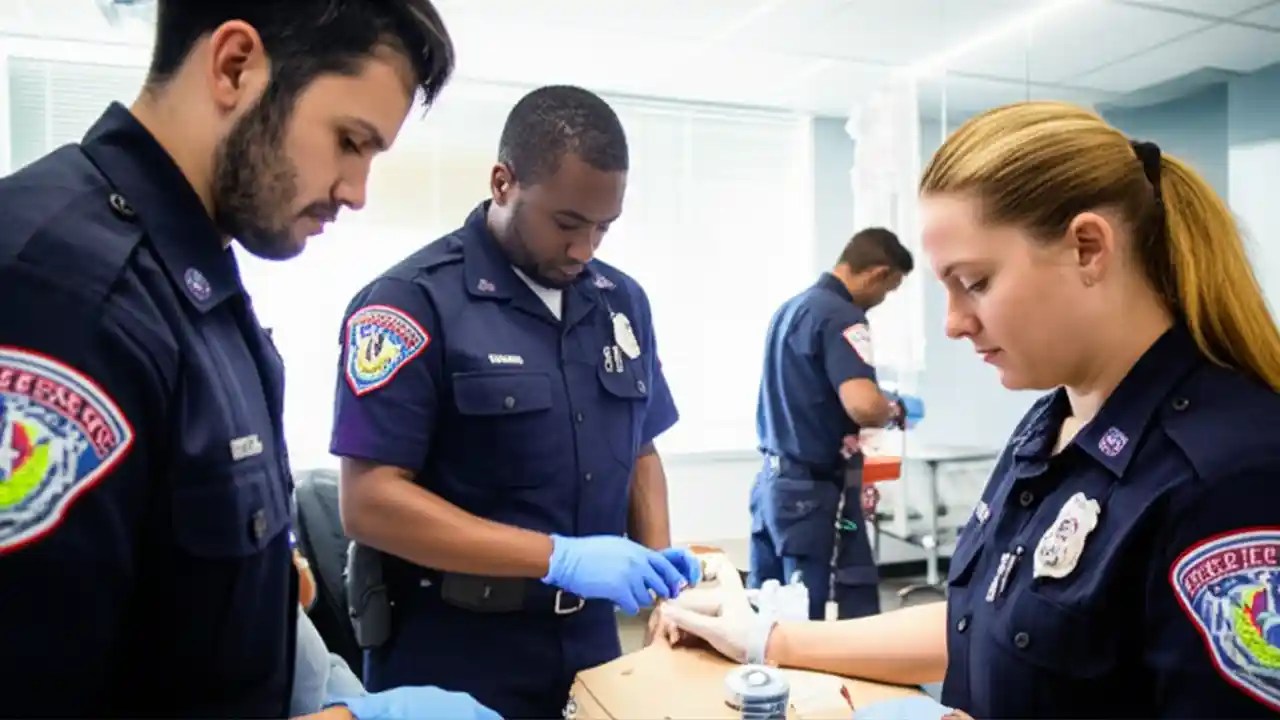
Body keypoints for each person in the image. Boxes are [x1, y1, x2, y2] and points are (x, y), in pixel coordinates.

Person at [656, 100, 1280, 718]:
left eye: (975, 283)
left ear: (1088, 248)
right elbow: (982, 620)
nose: (954, 323)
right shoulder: (1051, 423)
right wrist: (766, 637)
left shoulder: (1229, 477)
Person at [0, 2, 497, 718]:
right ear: (235, 65)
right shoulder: (63, 300)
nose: (356, 193)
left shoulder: (194, 286)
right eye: (349, 142)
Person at [329, 84, 700, 720]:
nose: (584, 250)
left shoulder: (620, 301)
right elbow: (369, 503)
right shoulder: (410, 302)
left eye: (602, 229)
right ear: (503, 182)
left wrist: (664, 583)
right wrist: (560, 558)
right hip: (454, 648)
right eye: (566, 224)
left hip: (591, 643)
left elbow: (642, 448)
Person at [751, 228, 915, 621]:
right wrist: (892, 409)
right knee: (812, 616)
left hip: (773, 486)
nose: (882, 300)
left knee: (770, 609)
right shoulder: (843, 316)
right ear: (877, 274)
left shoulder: (790, 309)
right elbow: (862, 405)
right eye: (888, 289)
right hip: (814, 493)